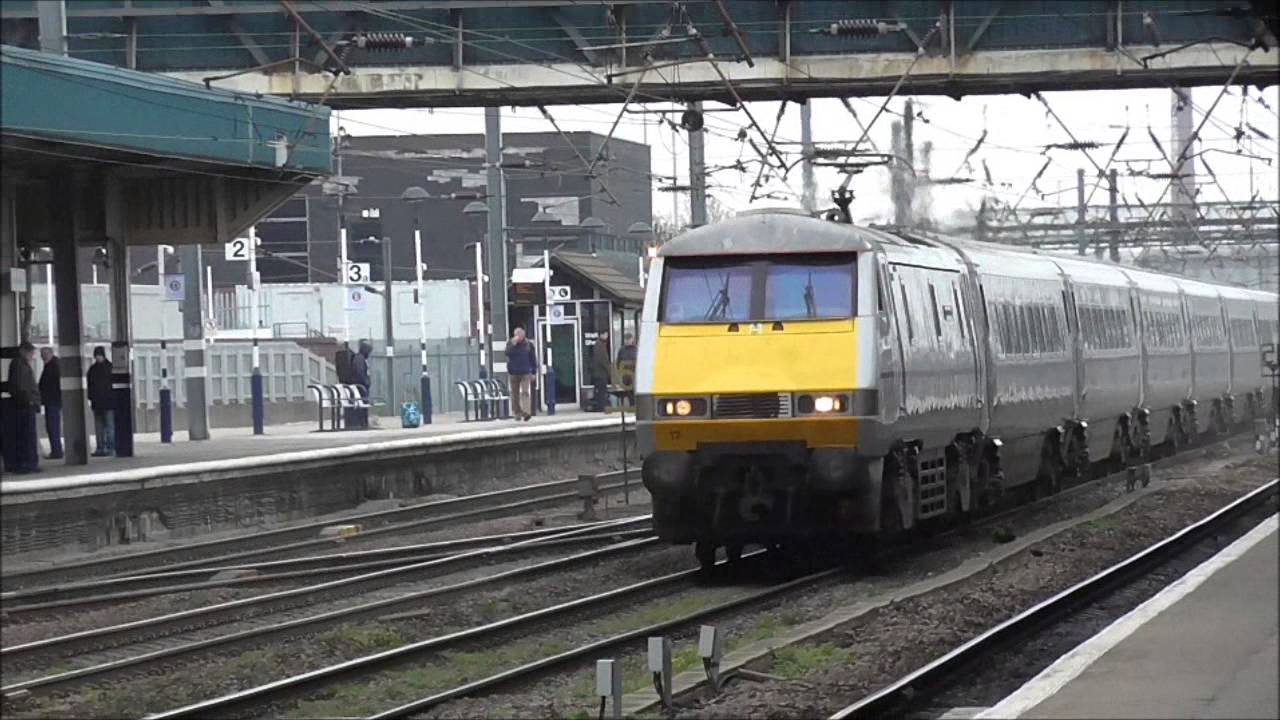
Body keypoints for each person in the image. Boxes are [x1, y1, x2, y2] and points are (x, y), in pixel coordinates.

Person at [7, 342, 41, 473]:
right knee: (26, 435)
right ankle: (26, 464)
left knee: (28, 435)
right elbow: (20, 386)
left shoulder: (21, 364)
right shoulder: (19, 364)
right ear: (23, 351)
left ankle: (30, 463)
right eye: (30, 352)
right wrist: (29, 401)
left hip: (25, 404)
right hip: (24, 405)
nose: (32, 355)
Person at [505, 327, 538, 421]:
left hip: (525, 372)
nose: (518, 337)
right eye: (517, 335)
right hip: (513, 372)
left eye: (520, 335)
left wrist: (534, 371)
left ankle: (526, 412)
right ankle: (517, 413)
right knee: (514, 394)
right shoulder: (510, 343)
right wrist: (512, 344)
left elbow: (532, 358)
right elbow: (507, 353)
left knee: (525, 392)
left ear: (523, 335)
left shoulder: (528, 345)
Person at [87, 345, 114, 456]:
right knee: (102, 427)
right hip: (101, 402)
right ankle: (101, 447)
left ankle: (108, 447)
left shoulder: (94, 370)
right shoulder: (109, 368)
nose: (97, 358)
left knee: (107, 426)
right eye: (96, 356)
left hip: (106, 402)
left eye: (99, 355)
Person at [38, 347, 62, 459]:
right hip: (51, 400)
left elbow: (51, 384)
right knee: (52, 426)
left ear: (51, 354)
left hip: (53, 400)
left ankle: (56, 451)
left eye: (46, 353)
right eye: (42, 354)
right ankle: (56, 449)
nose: (43, 356)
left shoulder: (53, 366)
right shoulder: (51, 365)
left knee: (52, 426)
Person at [350, 339, 372, 428]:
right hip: (361, 387)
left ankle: (363, 423)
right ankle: (362, 423)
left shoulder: (360, 358)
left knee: (364, 405)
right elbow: (360, 373)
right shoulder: (359, 359)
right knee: (362, 405)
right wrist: (366, 382)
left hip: (361, 387)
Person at [590, 331, 612, 412]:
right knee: (601, 391)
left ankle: (600, 406)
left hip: (599, 373)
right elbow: (603, 360)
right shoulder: (600, 345)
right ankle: (601, 406)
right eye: (606, 334)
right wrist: (609, 370)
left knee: (600, 390)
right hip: (601, 373)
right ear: (602, 335)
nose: (607, 336)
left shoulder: (600, 344)